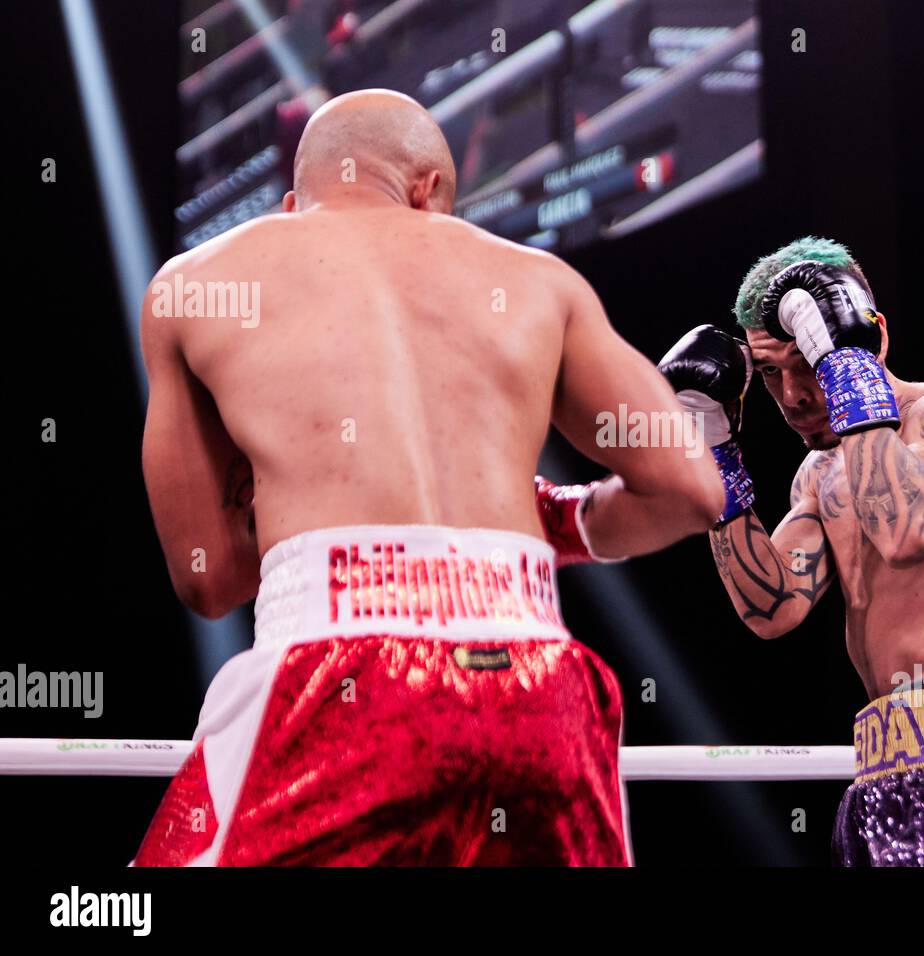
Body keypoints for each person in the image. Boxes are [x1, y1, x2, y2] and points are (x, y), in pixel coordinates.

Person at [132, 89, 723, 866]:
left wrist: (271, 501)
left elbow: (206, 581)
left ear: (290, 203)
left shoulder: (197, 284)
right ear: (429, 192)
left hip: (338, 680)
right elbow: (693, 491)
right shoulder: (541, 282)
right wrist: (561, 522)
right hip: (539, 686)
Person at [659, 236, 924, 866]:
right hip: (876, 762)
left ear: (870, 338)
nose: (791, 395)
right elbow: (771, 606)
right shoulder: (819, 474)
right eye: (768, 374)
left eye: (808, 361)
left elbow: (903, 530)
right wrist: (717, 457)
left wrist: (845, 361)